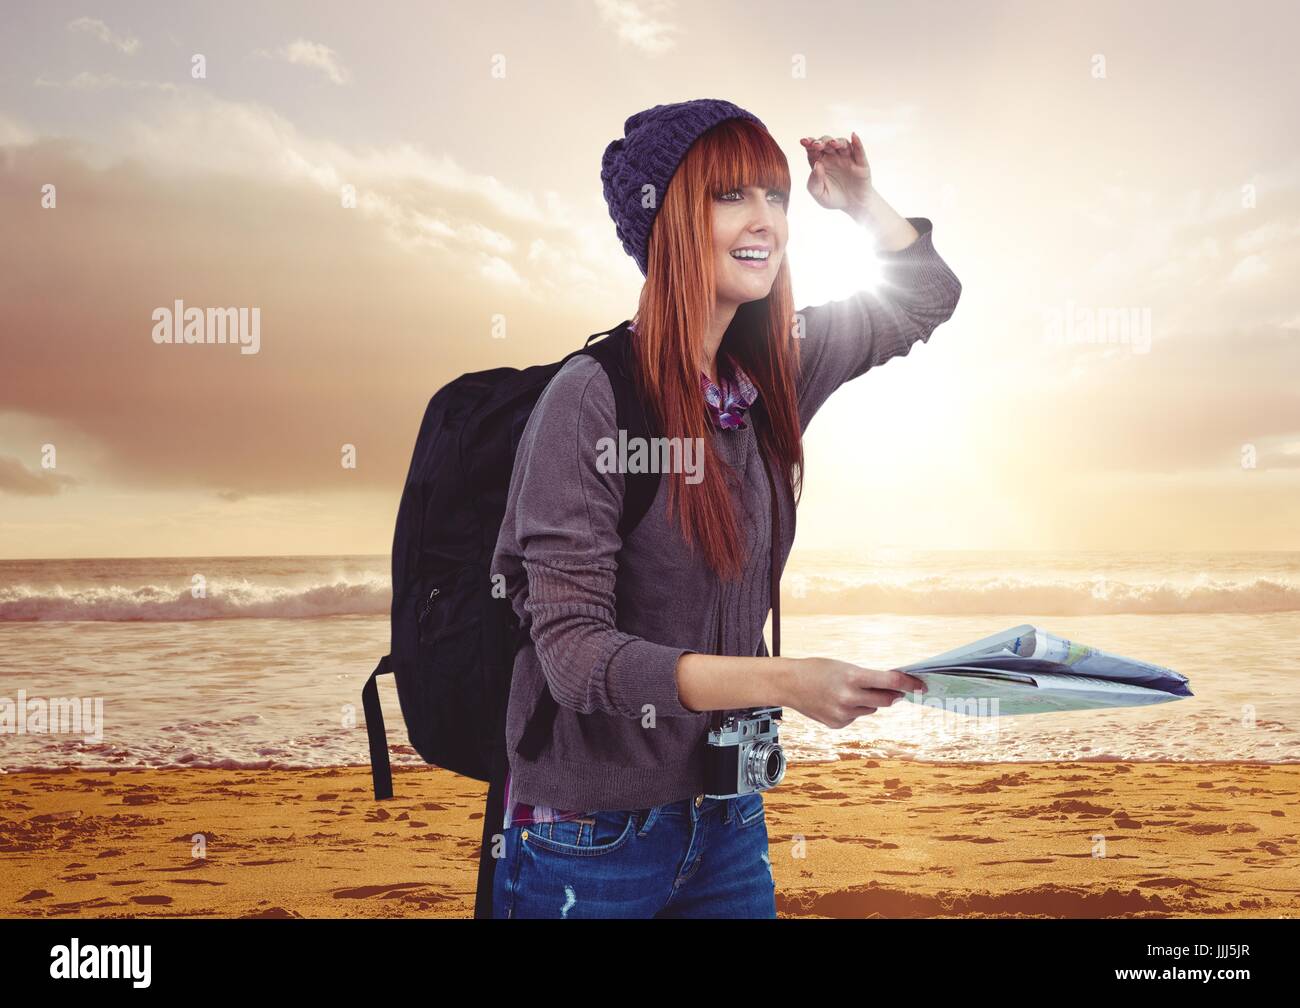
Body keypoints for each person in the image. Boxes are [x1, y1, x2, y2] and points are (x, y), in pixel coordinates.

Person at [490, 98, 961, 918]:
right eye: (730, 195)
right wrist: (788, 680)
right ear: (668, 219)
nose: (765, 221)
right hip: (588, 837)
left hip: (727, 816)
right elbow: (574, 656)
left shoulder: (773, 377)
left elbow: (925, 296)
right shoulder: (589, 401)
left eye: (774, 196)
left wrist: (856, 201)